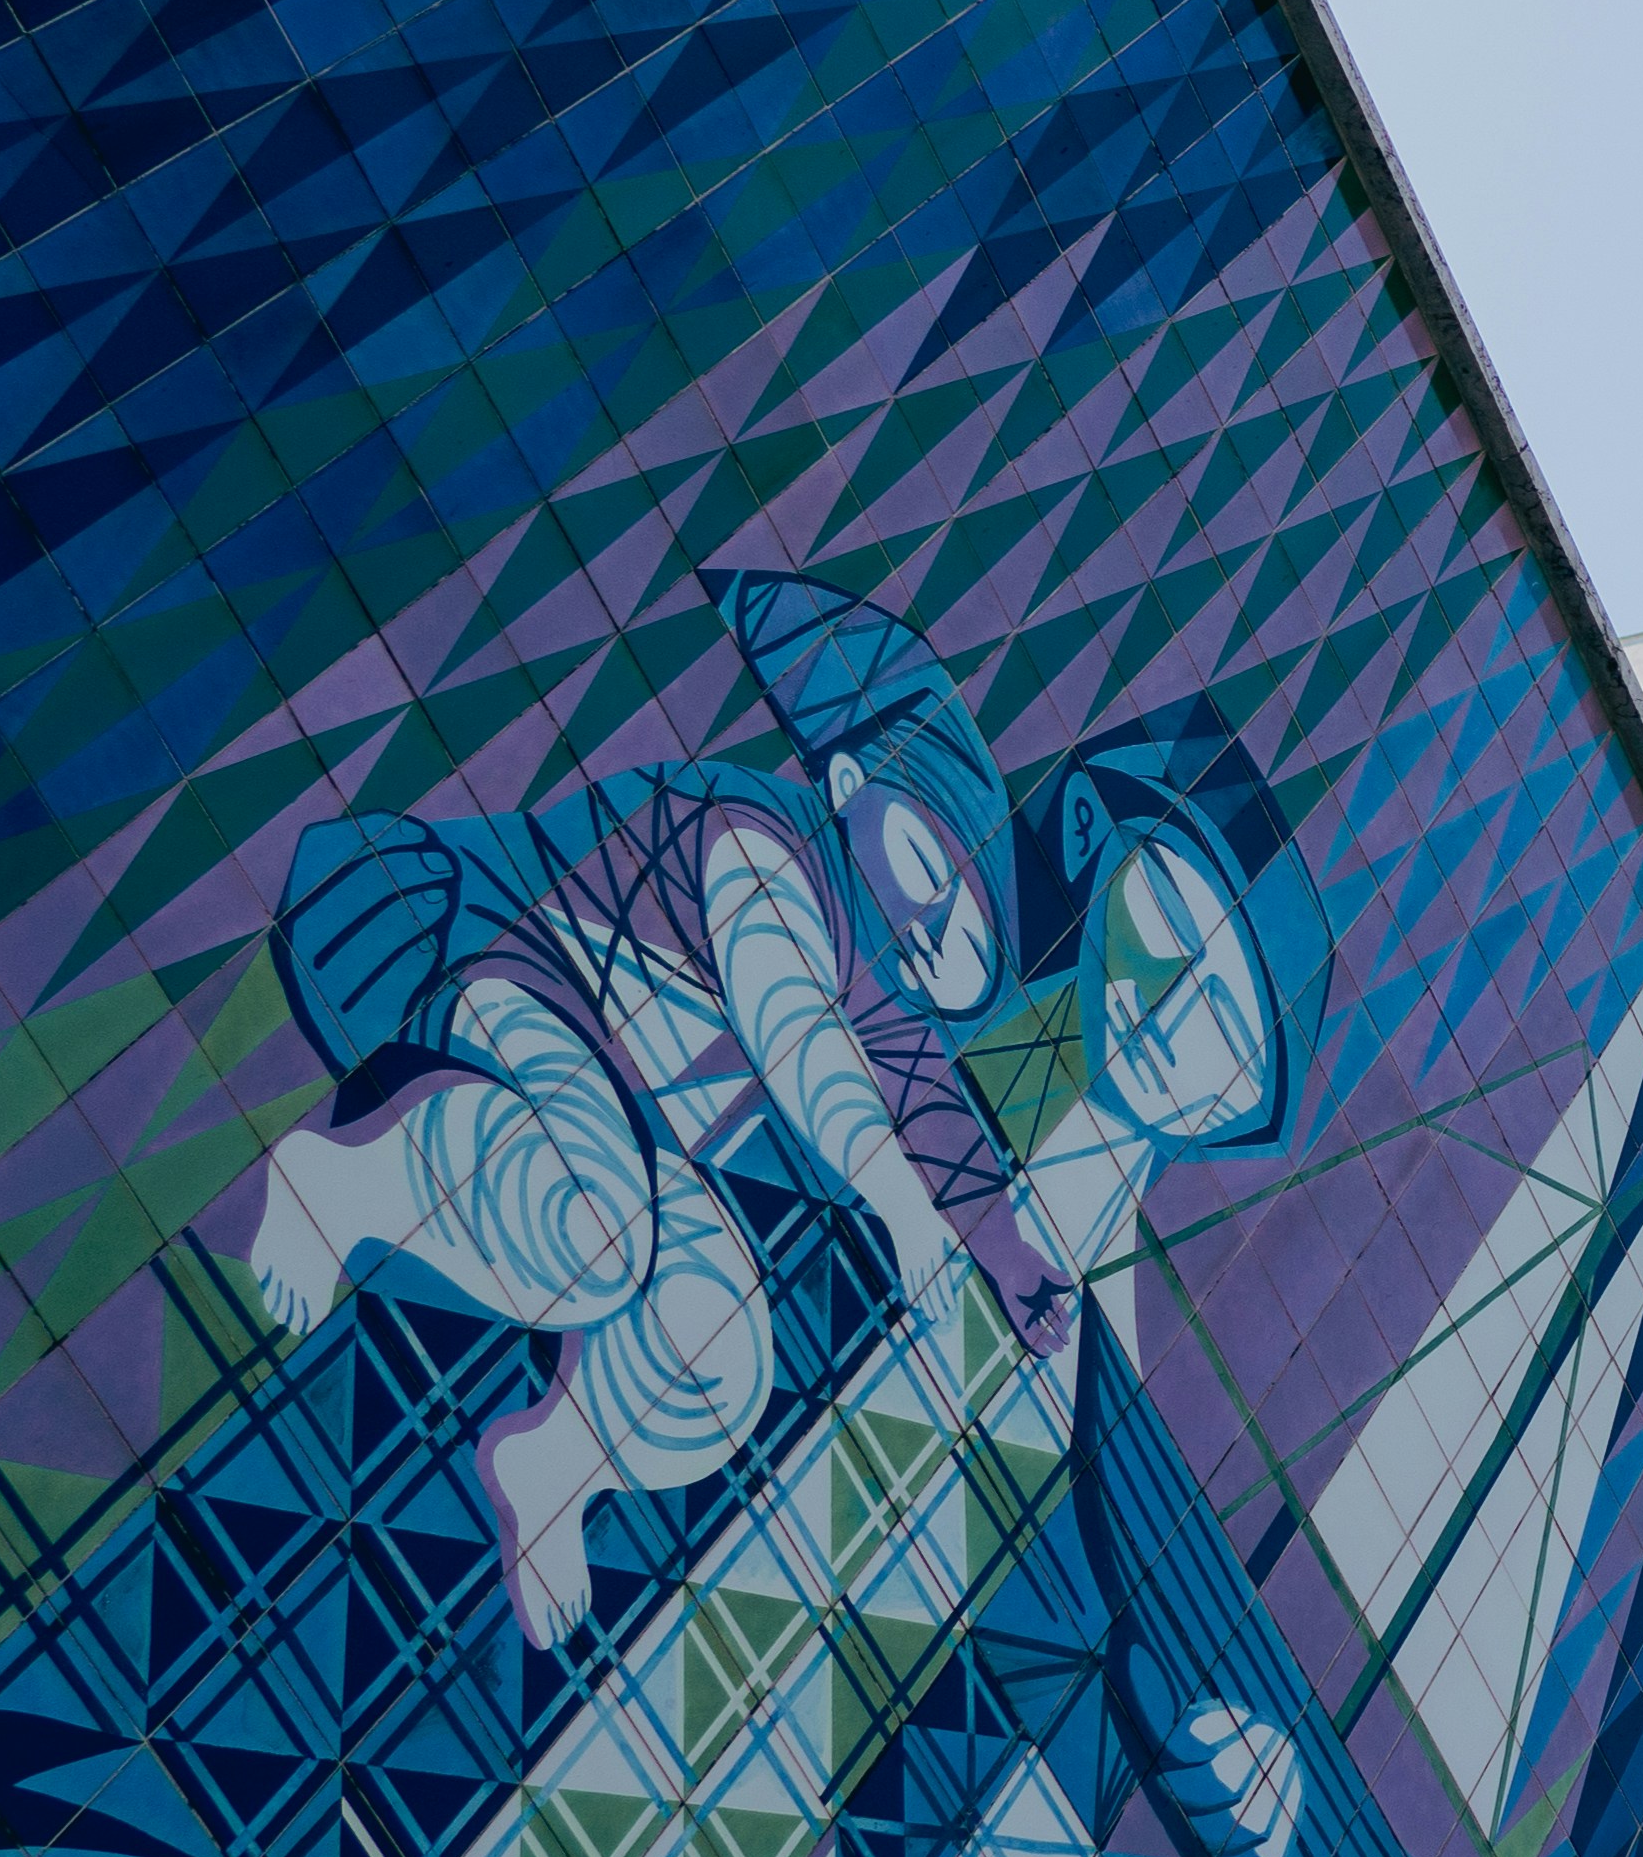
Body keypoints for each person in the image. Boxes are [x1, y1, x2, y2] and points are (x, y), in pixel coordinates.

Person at [231, 574, 1061, 1638]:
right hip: (476, 947)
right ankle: (337, 1183)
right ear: (853, 780)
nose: (933, 929)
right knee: (602, 1231)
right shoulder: (759, 830)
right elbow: (789, 1023)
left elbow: (931, 1110)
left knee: (725, 1351)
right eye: (928, 870)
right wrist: (899, 1203)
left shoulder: (877, 990)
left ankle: (551, 1469)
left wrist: (1011, 1256)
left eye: (962, 944)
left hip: (593, 1106)